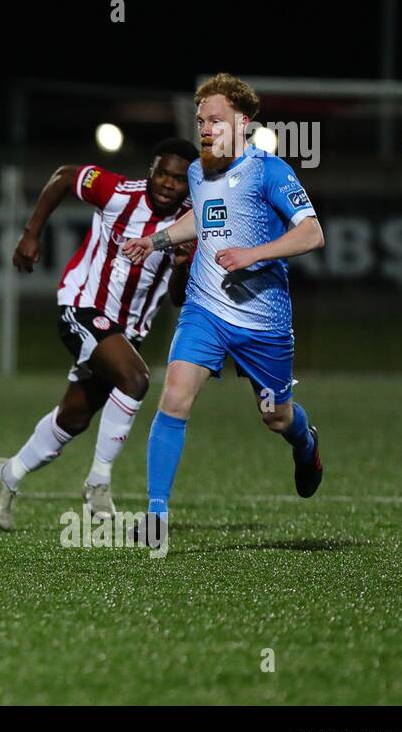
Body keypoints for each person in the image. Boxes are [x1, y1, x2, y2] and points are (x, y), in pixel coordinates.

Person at [121, 73, 325, 549]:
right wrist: (154, 240)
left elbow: (312, 233)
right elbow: (205, 217)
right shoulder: (198, 172)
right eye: (200, 121)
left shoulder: (269, 171)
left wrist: (253, 254)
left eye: (215, 120)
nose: (206, 128)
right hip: (205, 310)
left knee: (275, 417)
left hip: (264, 320)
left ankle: (306, 443)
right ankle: (155, 518)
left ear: (243, 123)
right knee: (173, 395)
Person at [0, 139, 199, 530]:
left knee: (75, 416)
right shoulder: (118, 192)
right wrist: (31, 233)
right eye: (163, 173)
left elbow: (178, 296)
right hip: (83, 307)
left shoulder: (189, 225)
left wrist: (185, 266)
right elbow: (65, 176)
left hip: (127, 331)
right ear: (151, 169)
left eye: (180, 179)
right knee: (135, 380)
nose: (169, 184)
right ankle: (98, 483)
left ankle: (10, 473)